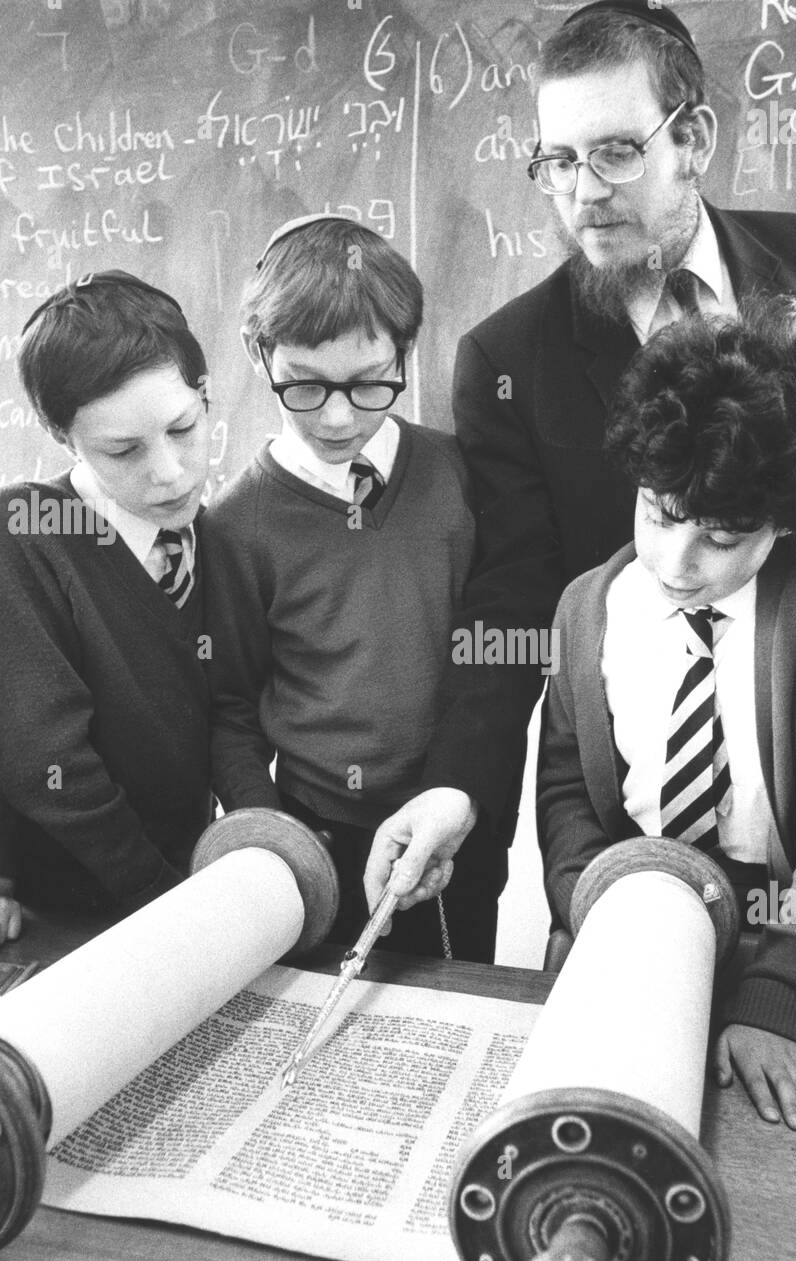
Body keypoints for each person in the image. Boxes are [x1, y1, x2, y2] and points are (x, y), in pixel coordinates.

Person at [364, 0, 796, 918]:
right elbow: (513, 600)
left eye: (614, 152)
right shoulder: (509, 360)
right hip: (645, 841)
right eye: (557, 162)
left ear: (691, 136)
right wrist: (459, 784)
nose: (583, 192)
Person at [538, 298, 796, 1128]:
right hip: (625, 929)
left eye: (723, 537)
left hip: (780, 944)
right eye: (660, 515)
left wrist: (779, 997)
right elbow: (565, 800)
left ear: (784, 521)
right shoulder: (584, 611)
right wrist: (597, 912)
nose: (675, 561)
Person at [202, 215, 505, 962]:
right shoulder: (235, 527)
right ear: (257, 352)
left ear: (406, 351)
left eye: (370, 384)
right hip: (321, 834)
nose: (338, 417)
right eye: (304, 386)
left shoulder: (460, 473)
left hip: (456, 821)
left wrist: (464, 793)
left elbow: (495, 658)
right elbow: (228, 707)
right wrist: (273, 842)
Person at [0, 270, 213, 939]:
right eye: (123, 450)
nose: (169, 471)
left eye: (183, 427)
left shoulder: (211, 534)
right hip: (60, 915)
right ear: (65, 438)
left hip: (178, 886)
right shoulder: (25, 532)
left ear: (205, 395)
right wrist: (165, 901)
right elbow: (45, 760)